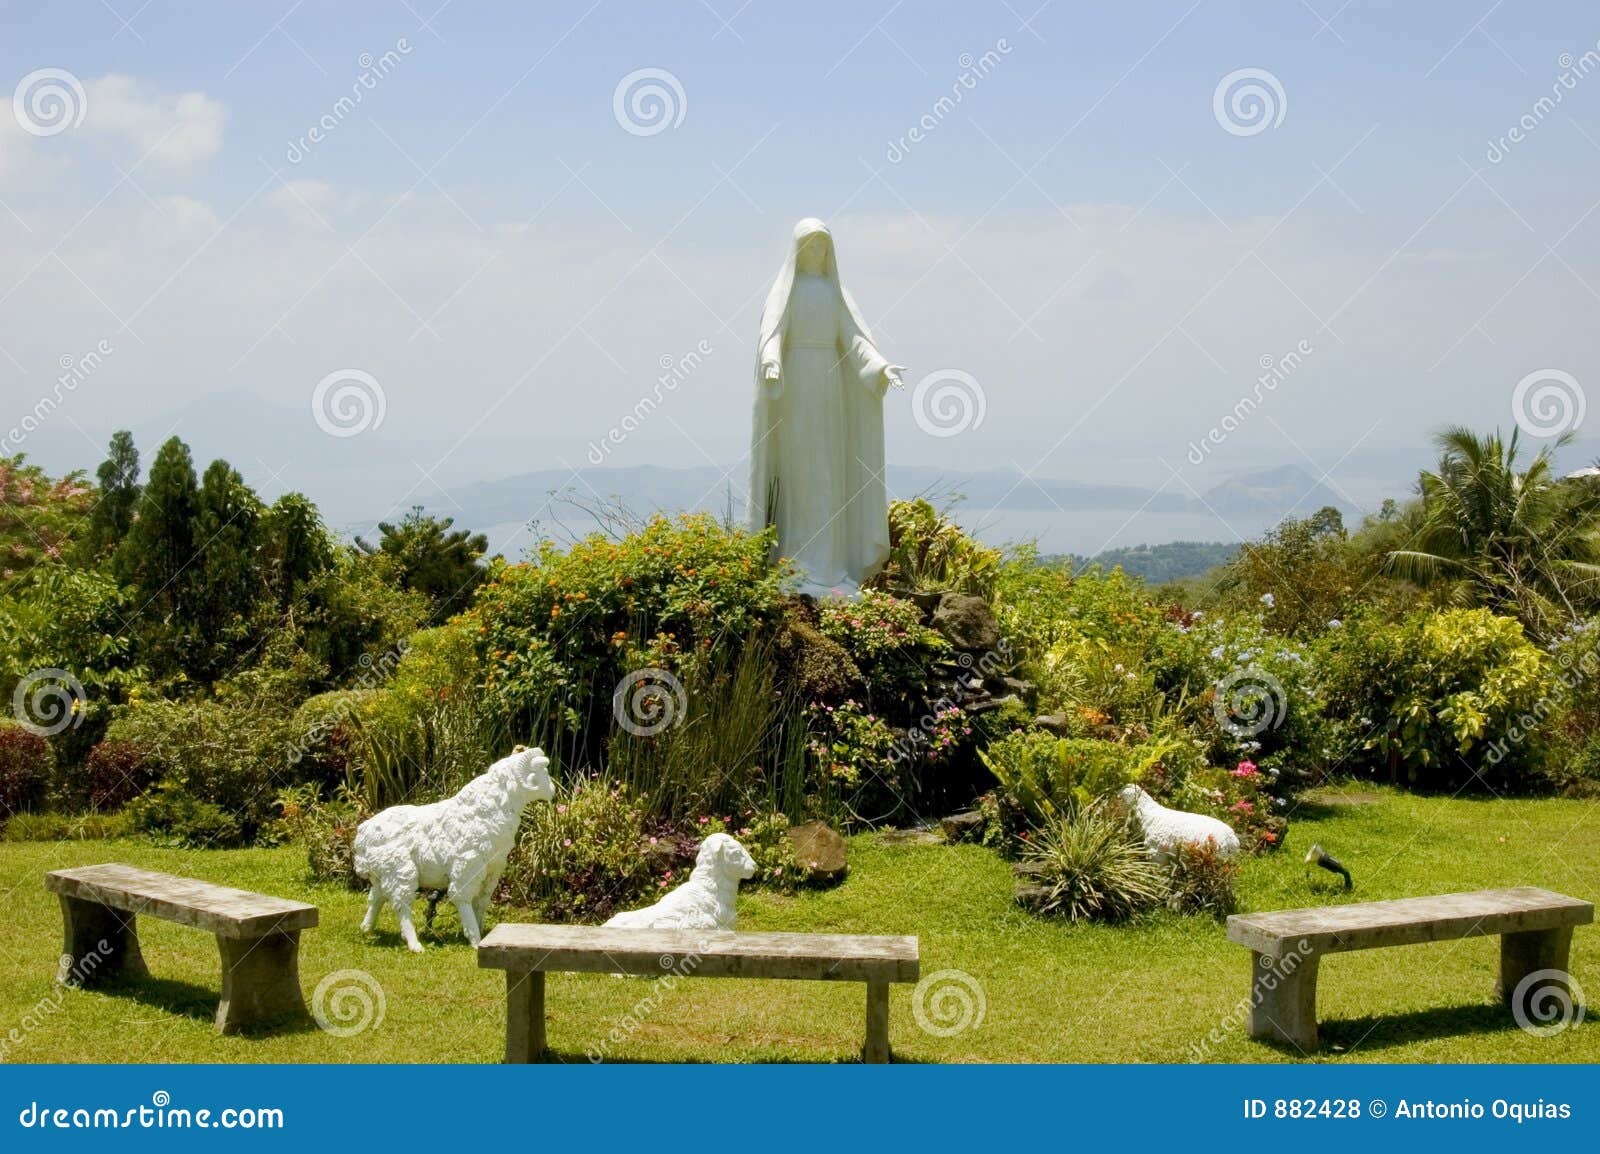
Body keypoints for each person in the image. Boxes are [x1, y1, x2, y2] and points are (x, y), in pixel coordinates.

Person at [749, 218, 903, 594]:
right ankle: (796, 559)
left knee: (829, 474)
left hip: (830, 388)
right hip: (796, 388)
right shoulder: (785, 292)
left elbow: (854, 340)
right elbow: (772, 333)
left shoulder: (836, 295)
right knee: (800, 471)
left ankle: (832, 566)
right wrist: (771, 359)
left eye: (822, 247)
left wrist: (880, 366)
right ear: (798, 250)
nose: (816, 253)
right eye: (810, 246)